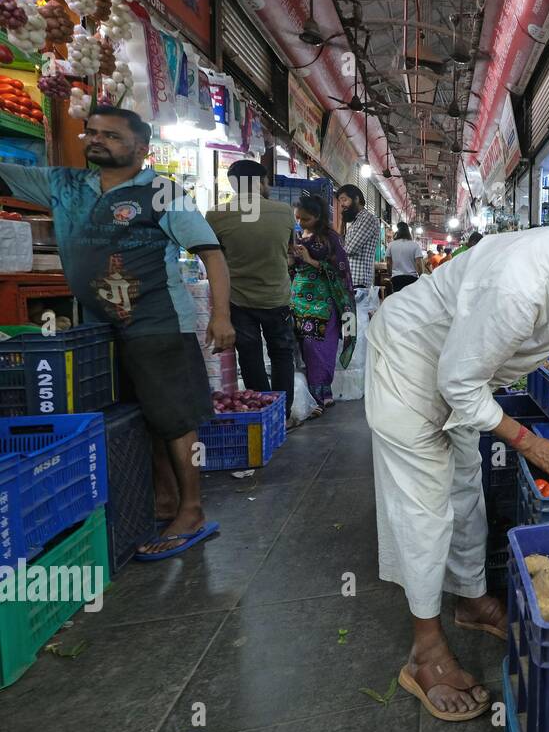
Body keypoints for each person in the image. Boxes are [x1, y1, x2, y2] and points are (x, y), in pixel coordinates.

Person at [366, 208, 549, 721]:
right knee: (425, 506)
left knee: (465, 488)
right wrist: (530, 442)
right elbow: (456, 382)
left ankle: (471, 599)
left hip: (465, 375)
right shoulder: (518, 285)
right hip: (411, 362)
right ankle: (425, 650)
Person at [0, 106, 235, 559]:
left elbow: (211, 252)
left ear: (142, 149)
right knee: (140, 417)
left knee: (173, 418)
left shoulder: (162, 192)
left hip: (159, 322)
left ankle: (192, 508)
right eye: (91, 132)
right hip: (96, 329)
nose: (96, 140)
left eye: (110, 135)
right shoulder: (64, 185)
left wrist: (220, 316)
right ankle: (164, 498)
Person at [207, 159, 296, 418]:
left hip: (238, 299)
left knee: (250, 356)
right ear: (260, 182)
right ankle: (283, 414)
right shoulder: (284, 212)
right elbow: (288, 250)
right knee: (281, 354)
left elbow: (216, 258)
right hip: (277, 297)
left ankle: (261, 412)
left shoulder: (215, 215)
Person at [291, 193, 355, 409]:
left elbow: (340, 270)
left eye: (305, 219)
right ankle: (309, 396)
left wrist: (310, 260)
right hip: (299, 299)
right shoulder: (297, 236)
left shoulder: (330, 239)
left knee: (318, 345)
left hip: (323, 302)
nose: (300, 223)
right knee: (304, 346)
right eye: (298, 218)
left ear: (318, 216)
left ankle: (322, 392)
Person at [338, 184, 380, 291]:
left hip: (358, 282)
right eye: (340, 201)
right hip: (351, 279)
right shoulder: (355, 221)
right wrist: (342, 222)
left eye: (344, 200)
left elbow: (350, 249)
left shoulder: (368, 219)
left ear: (356, 199)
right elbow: (340, 243)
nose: (341, 204)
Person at [386, 221, 424, 294]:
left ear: (398, 232)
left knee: (398, 300)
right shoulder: (414, 245)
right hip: (412, 279)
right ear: (408, 232)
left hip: (396, 278)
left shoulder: (391, 245)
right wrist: (421, 277)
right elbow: (419, 264)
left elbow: (388, 263)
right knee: (410, 301)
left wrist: (390, 274)